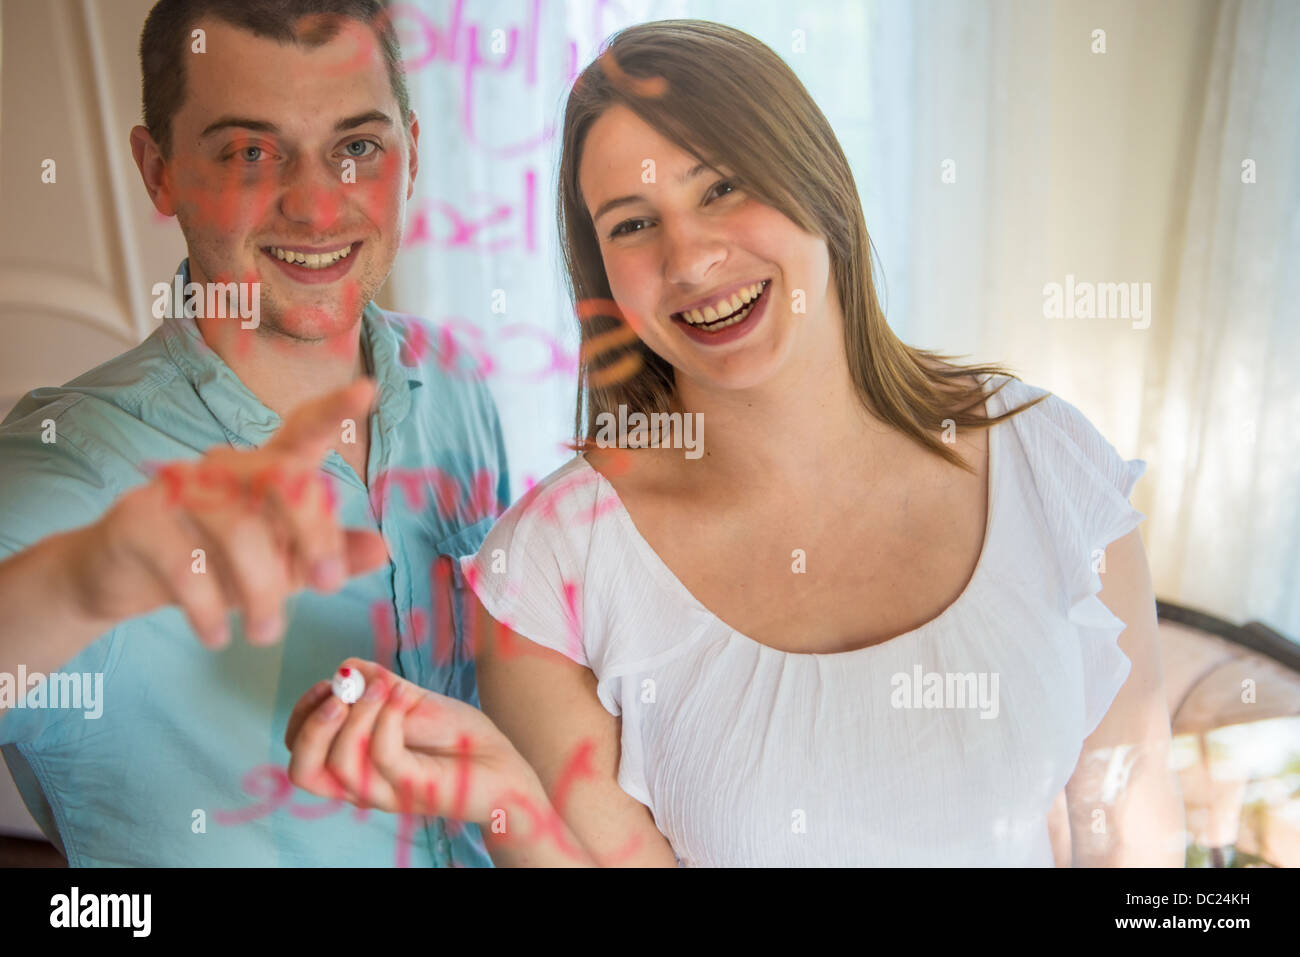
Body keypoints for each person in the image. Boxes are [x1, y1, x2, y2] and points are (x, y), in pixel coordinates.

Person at [286, 20, 1185, 866]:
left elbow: (1133, 838)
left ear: (817, 183)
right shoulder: (549, 573)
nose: (690, 257)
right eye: (632, 224)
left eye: (721, 186)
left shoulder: (1041, 454)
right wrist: (501, 796)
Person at [0, 0, 508, 867]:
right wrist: (80, 580)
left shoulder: (455, 380)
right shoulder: (70, 465)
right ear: (158, 171)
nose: (317, 207)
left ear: (412, 153)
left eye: (357, 147)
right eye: (249, 152)